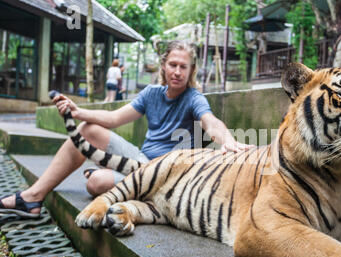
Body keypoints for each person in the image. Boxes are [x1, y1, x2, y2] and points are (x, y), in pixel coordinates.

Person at [0, 40, 253, 218]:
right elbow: (112, 118)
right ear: (164, 65)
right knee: (89, 129)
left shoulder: (194, 98)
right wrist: (78, 112)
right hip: (140, 160)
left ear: (191, 70)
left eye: (183, 67)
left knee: (96, 184)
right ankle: (33, 197)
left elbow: (210, 121)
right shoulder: (151, 93)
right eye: (172, 64)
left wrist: (228, 140)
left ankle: (112, 173)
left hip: (164, 175)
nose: (177, 71)